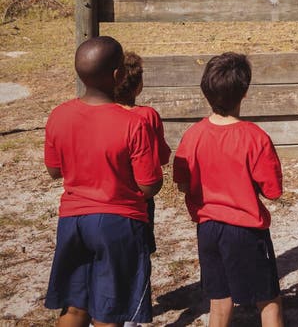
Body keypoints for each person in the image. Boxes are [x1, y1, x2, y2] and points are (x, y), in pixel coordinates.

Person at [44, 36, 164, 327]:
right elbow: (149, 185)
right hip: (119, 223)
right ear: (118, 76)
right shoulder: (133, 123)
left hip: (72, 221)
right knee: (110, 312)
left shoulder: (58, 115)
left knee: (74, 307)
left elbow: (54, 170)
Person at [173, 52, 284, 327]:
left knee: (219, 300)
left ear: (205, 91)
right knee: (268, 299)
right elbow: (273, 191)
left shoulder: (193, 135)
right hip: (246, 230)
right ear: (244, 93)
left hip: (208, 229)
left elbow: (182, 184)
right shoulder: (255, 138)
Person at [114, 51, 171, 252]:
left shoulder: (98, 115)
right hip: (139, 198)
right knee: (140, 250)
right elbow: (162, 157)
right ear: (138, 86)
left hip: (106, 197)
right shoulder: (147, 115)